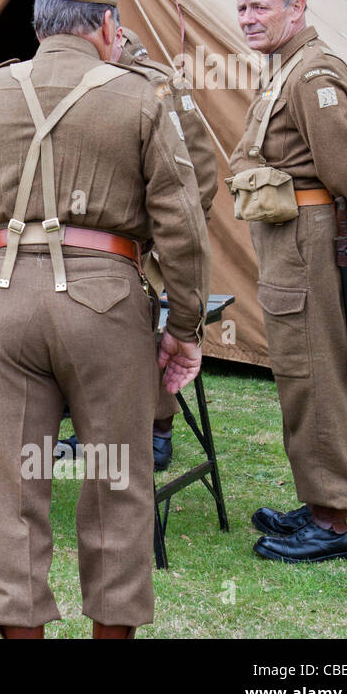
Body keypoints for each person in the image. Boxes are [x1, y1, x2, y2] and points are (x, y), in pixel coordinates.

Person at [0, 0, 209, 638]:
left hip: (7, 298)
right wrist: (186, 324)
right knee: (115, 482)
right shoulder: (140, 97)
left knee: (14, 488)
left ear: (40, 24)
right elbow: (184, 225)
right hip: (106, 301)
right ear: (104, 24)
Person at [226, 0, 347, 564]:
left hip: (309, 245)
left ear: (297, 7)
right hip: (291, 243)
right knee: (301, 374)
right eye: (243, 6)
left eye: (260, 6)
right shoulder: (285, 67)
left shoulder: (312, 75)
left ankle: (334, 523)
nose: (247, 16)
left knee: (315, 378)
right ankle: (320, 498)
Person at [115, 28, 219, 471]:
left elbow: (200, 164)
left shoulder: (155, 82)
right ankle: (98, 427)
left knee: (152, 335)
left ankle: (158, 430)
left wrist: (172, 233)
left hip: (147, 239)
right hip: (104, 238)